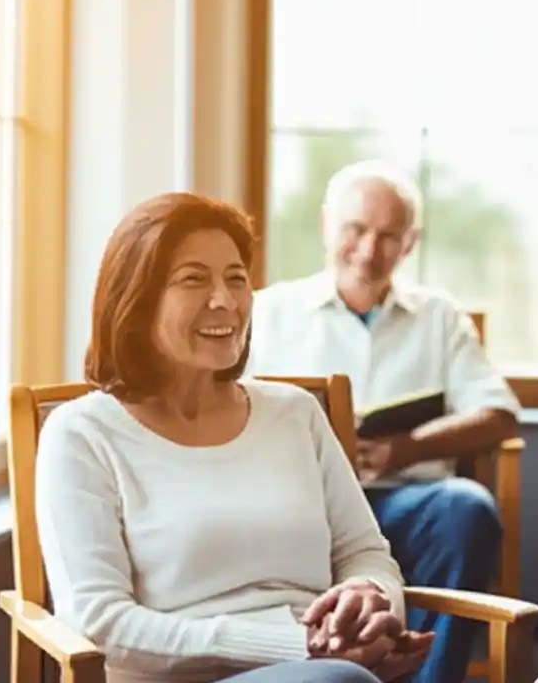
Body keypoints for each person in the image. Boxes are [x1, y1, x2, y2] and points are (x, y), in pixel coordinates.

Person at [35, 192, 434, 683]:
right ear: (135, 299)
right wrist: (298, 647)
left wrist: (370, 602)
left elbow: (365, 553)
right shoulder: (81, 434)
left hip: (330, 669)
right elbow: (97, 621)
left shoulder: (296, 413)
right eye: (194, 279)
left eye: (236, 279)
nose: (224, 300)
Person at [246, 161, 521, 682]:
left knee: (467, 507)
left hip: (404, 499)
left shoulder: (439, 316)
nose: (369, 251)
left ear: (410, 243)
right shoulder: (268, 312)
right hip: (304, 504)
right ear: (327, 226)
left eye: (389, 236)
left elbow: (498, 415)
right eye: (355, 229)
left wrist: (404, 449)